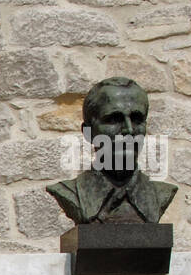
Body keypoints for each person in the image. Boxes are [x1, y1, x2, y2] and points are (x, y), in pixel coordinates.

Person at [45, 77, 177, 224]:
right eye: (114, 119)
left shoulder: (160, 194)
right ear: (88, 133)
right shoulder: (70, 193)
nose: (129, 130)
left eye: (137, 119)